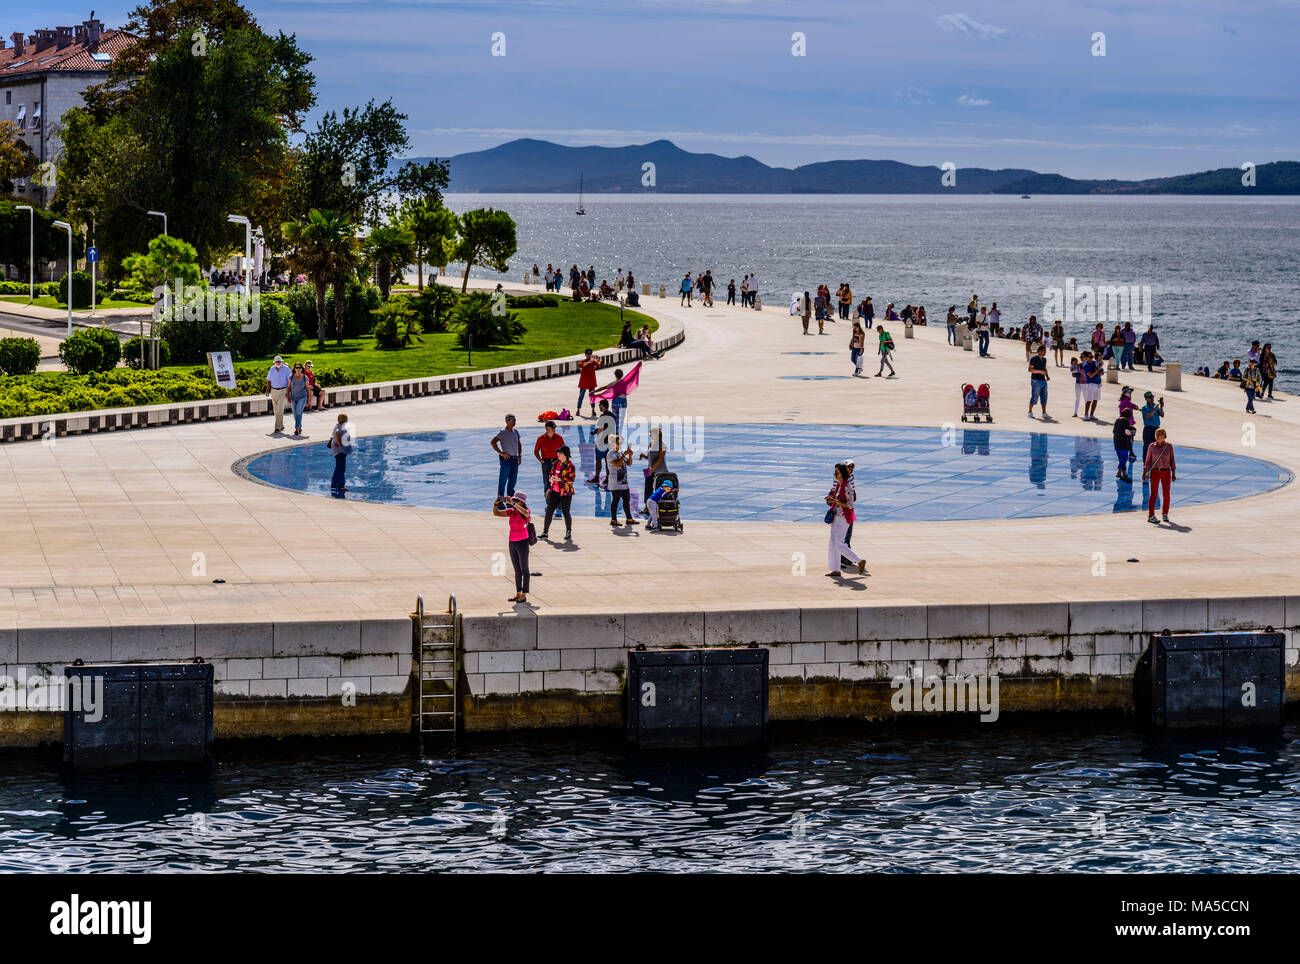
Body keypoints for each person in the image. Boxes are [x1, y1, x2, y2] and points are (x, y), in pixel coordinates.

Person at [824, 463, 866, 577]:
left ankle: (859, 561)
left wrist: (836, 501)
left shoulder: (848, 487)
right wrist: (831, 499)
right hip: (836, 517)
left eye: (836, 472)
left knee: (839, 544)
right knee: (832, 544)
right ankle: (836, 569)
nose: (834, 474)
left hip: (843, 519)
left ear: (841, 473)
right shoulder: (838, 485)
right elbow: (838, 500)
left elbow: (850, 505)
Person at [492, 493, 532, 603]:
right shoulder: (512, 512)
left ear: (522, 502)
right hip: (512, 542)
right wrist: (495, 504)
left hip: (523, 542)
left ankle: (524, 594)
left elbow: (526, 514)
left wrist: (514, 504)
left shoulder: (525, 511)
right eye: (513, 499)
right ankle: (518, 593)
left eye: (516, 500)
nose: (513, 501)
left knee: (525, 569)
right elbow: (496, 513)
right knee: (517, 570)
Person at [540, 445, 575, 541]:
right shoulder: (556, 464)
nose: (558, 455)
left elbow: (571, 480)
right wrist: (551, 478)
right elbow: (551, 473)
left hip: (565, 493)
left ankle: (568, 532)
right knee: (549, 511)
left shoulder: (570, 466)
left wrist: (560, 479)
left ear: (565, 455)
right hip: (555, 492)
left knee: (566, 512)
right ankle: (545, 532)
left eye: (560, 453)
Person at [1142, 428, 1176, 524]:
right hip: (1155, 472)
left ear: (1164, 436)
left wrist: (1173, 473)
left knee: (1166, 494)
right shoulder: (1151, 446)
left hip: (1166, 472)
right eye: (1156, 435)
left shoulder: (1169, 446)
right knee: (1153, 494)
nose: (1157, 437)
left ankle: (1165, 513)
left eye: (1159, 435)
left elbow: (1172, 460)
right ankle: (1151, 515)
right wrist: (1144, 473)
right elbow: (1147, 461)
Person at [491, 414, 522, 502]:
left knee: (512, 481)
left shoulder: (516, 431)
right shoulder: (502, 432)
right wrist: (501, 452)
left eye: (514, 420)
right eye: (511, 420)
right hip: (506, 460)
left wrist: (519, 455)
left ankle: (510, 499)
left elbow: (519, 443)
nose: (514, 422)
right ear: (506, 421)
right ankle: (500, 499)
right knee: (503, 480)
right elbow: (493, 442)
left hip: (514, 459)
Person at [606, 436, 634, 527]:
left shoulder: (620, 452)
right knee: (616, 500)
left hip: (623, 480)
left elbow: (628, 464)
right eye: (618, 443)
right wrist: (624, 455)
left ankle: (629, 518)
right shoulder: (610, 454)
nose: (620, 445)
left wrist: (630, 456)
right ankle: (613, 519)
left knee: (626, 500)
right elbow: (617, 464)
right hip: (615, 481)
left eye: (621, 443)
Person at [640, 427, 668, 512]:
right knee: (648, 489)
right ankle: (647, 507)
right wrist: (644, 456)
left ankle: (659, 507)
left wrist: (653, 468)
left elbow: (660, 459)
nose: (650, 435)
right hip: (650, 471)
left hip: (660, 472)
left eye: (651, 433)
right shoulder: (650, 444)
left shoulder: (662, 445)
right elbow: (650, 458)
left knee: (658, 490)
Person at [593, 368, 628, 434]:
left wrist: (594, 391)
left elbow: (604, 387)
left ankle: (616, 434)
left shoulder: (614, 383)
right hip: (623, 402)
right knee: (621, 420)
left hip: (616, 403)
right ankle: (619, 434)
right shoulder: (625, 382)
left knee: (616, 420)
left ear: (615, 375)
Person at [535, 420, 565, 491]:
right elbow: (536, 451)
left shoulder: (559, 437)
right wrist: (540, 459)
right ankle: (548, 500)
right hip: (546, 462)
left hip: (557, 462)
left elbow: (564, 450)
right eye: (552, 427)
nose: (554, 429)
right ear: (547, 428)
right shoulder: (541, 438)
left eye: (554, 428)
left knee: (558, 480)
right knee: (546, 482)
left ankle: (559, 500)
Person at [265, 355, 291, 434]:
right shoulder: (272, 369)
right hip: (273, 391)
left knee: (280, 409)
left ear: (282, 362)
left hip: (283, 390)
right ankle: (281, 425)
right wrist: (267, 390)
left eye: (279, 361)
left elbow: (290, 380)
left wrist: (288, 390)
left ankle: (277, 427)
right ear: (274, 362)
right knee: (276, 410)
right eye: (277, 362)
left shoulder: (286, 369)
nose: (278, 363)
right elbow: (269, 380)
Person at [329, 413, 351, 494]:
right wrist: (338, 443)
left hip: (340, 450)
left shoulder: (338, 426)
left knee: (338, 467)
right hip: (340, 451)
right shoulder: (339, 427)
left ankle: (334, 484)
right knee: (341, 468)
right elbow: (337, 434)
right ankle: (341, 485)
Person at [287, 362, 310, 436]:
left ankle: (297, 429)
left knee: (298, 412)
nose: (298, 369)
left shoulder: (305, 377)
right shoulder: (291, 377)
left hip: (302, 397)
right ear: (294, 369)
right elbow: (288, 388)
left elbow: (308, 389)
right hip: (293, 398)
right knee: (295, 414)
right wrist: (288, 397)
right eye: (296, 367)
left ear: (302, 368)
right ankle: (299, 426)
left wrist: (308, 400)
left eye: (299, 367)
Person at [1139, 391, 1163, 462]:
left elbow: (1162, 415)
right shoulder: (1144, 408)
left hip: (1156, 429)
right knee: (1147, 447)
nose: (1152, 398)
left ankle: (1155, 463)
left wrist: (1161, 407)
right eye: (1150, 397)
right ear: (1146, 399)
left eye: (1152, 397)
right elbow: (1148, 416)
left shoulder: (1155, 406)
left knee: (1157, 447)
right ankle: (1146, 464)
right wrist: (1155, 409)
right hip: (1148, 429)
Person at [1112, 409, 1136, 482]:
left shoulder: (1117, 420)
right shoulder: (1126, 421)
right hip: (1124, 443)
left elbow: (1113, 431)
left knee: (1121, 459)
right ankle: (1119, 471)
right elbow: (1127, 432)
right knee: (1124, 458)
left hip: (1116, 442)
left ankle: (1124, 472)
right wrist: (1132, 432)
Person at [576, 348, 600, 417]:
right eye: (587, 354)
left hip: (591, 382)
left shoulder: (593, 362)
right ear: (585, 354)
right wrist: (588, 362)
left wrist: (597, 359)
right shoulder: (583, 361)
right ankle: (578, 410)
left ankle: (593, 410)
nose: (589, 355)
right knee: (581, 397)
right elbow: (581, 365)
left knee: (592, 397)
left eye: (590, 354)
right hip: (584, 382)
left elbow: (599, 364)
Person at [1028, 344, 1049, 418]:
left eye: (1045, 351)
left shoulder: (1044, 359)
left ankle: (1044, 412)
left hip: (1043, 380)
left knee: (1044, 396)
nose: (1045, 352)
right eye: (1043, 351)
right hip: (1035, 380)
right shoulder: (1034, 359)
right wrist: (1040, 372)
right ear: (1039, 351)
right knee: (1034, 397)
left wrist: (1047, 375)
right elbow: (1030, 369)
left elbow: (1044, 368)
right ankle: (1030, 412)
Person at [1083, 351, 1102, 421]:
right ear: (1086, 357)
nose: (1092, 358)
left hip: (1097, 383)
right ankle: (1086, 414)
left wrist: (1100, 371)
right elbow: (1090, 375)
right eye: (1090, 357)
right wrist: (1097, 370)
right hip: (1090, 384)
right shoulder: (1086, 365)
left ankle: (1092, 415)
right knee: (1089, 400)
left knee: (1095, 400)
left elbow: (1100, 373)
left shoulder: (1095, 363)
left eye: (1092, 357)